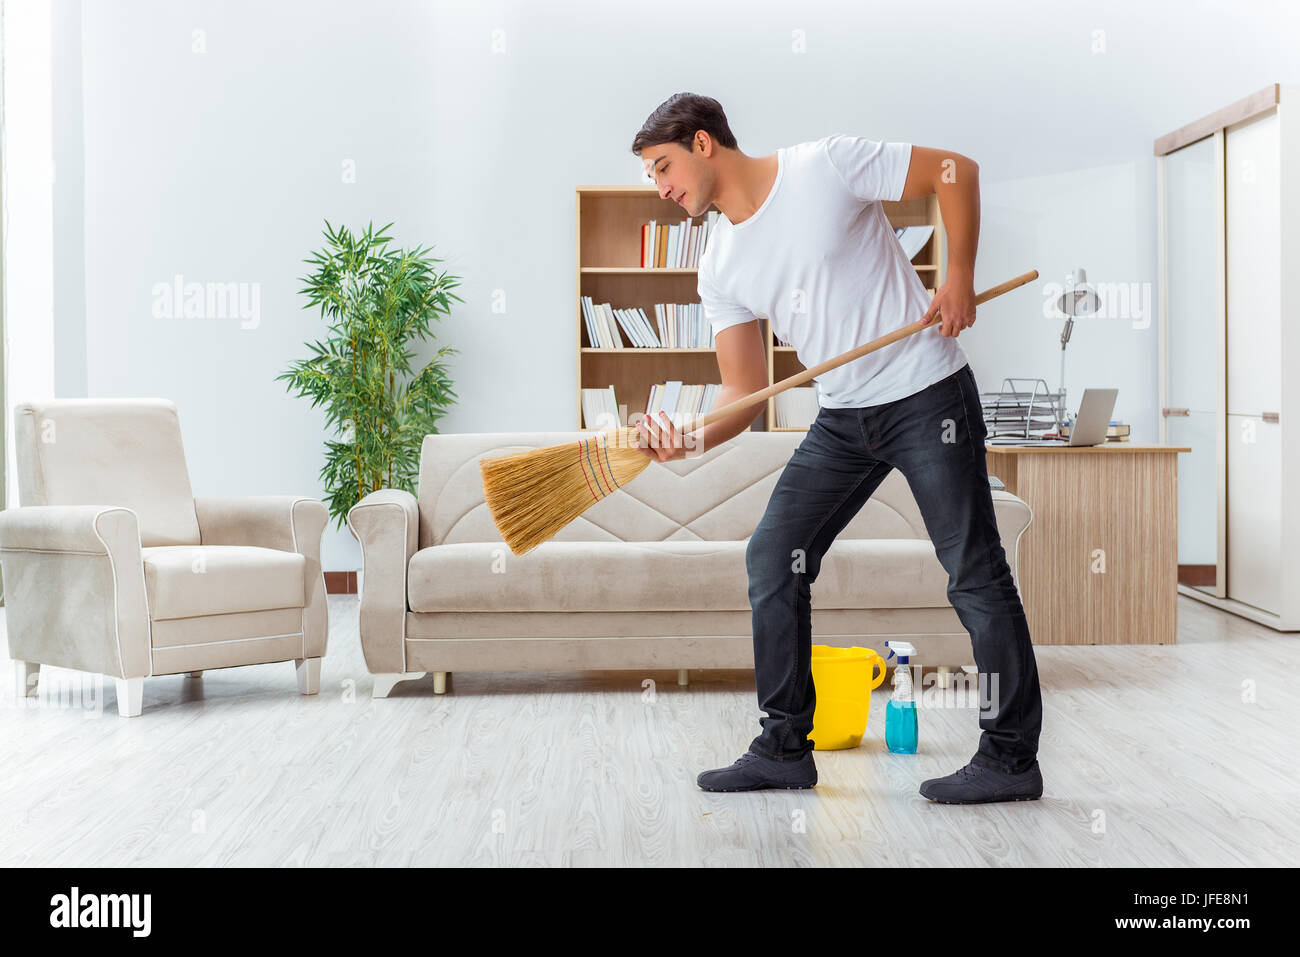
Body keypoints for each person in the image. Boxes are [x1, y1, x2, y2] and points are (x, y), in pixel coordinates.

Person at [628, 92, 1043, 804]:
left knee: (972, 567)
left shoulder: (822, 167)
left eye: (663, 166)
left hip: (925, 394)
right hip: (843, 418)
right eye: (650, 177)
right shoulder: (719, 264)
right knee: (772, 554)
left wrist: (959, 276)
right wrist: (687, 437)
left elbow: (954, 169)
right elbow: (743, 392)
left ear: (703, 144)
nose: (662, 188)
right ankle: (785, 746)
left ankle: (1009, 758)